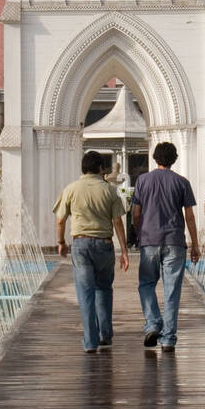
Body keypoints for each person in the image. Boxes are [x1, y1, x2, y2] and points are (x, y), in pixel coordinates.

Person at [54, 150, 129, 353]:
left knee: (85, 293)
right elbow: (117, 222)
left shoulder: (71, 189)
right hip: (104, 245)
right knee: (104, 289)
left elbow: (60, 219)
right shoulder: (110, 191)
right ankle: (105, 335)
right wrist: (124, 251)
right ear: (100, 168)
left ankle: (90, 341)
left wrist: (60, 241)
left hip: (81, 246)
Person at [132, 142, 200, 353]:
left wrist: (139, 232)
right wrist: (195, 245)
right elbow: (189, 215)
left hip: (149, 241)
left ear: (155, 158)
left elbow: (136, 213)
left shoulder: (143, 180)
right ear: (174, 159)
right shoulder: (182, 182)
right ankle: (168, 338)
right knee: (172, 290)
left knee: (146, 284)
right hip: (175, 242)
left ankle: (153, 324)